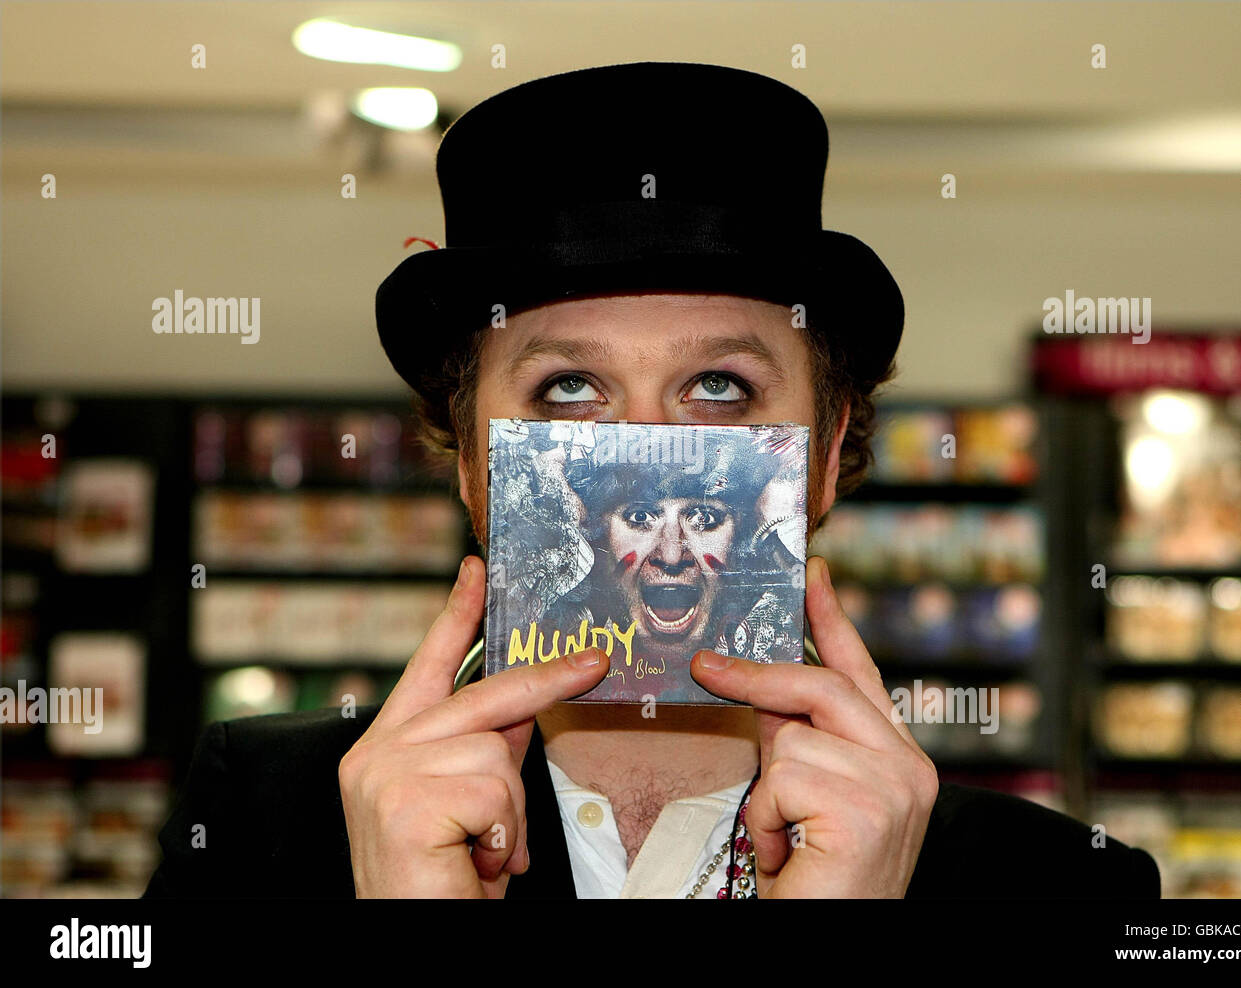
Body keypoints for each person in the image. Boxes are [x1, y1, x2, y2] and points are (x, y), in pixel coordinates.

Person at [144, 61, 1160, 899]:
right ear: (466, 460)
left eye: (718, 387)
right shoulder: (259, 818)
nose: (641, 452)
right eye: (567, 387)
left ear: (823, 451)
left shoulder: (1056, 890)